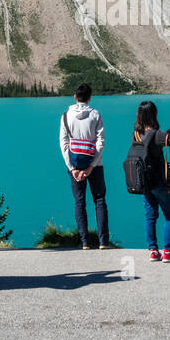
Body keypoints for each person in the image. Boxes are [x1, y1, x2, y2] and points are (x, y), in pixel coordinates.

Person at [132, 101, 170, 262]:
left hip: (143, 183)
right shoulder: (156, 134)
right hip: (158, 182)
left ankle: (153, 251)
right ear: (154, 114)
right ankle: (168, 252)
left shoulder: (136, 134)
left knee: (150, 216)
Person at [58, 84, 110, 249]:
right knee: (99, 200)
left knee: (80, 202)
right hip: (95, 165)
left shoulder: (66, 116)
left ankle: (85, 242)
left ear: (75, 97)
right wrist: (92, 165)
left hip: (74, 164)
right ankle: (103, 241)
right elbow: (101, 142)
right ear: (90, 97)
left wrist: (72, 168)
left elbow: (64, 143)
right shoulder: (95, 115)